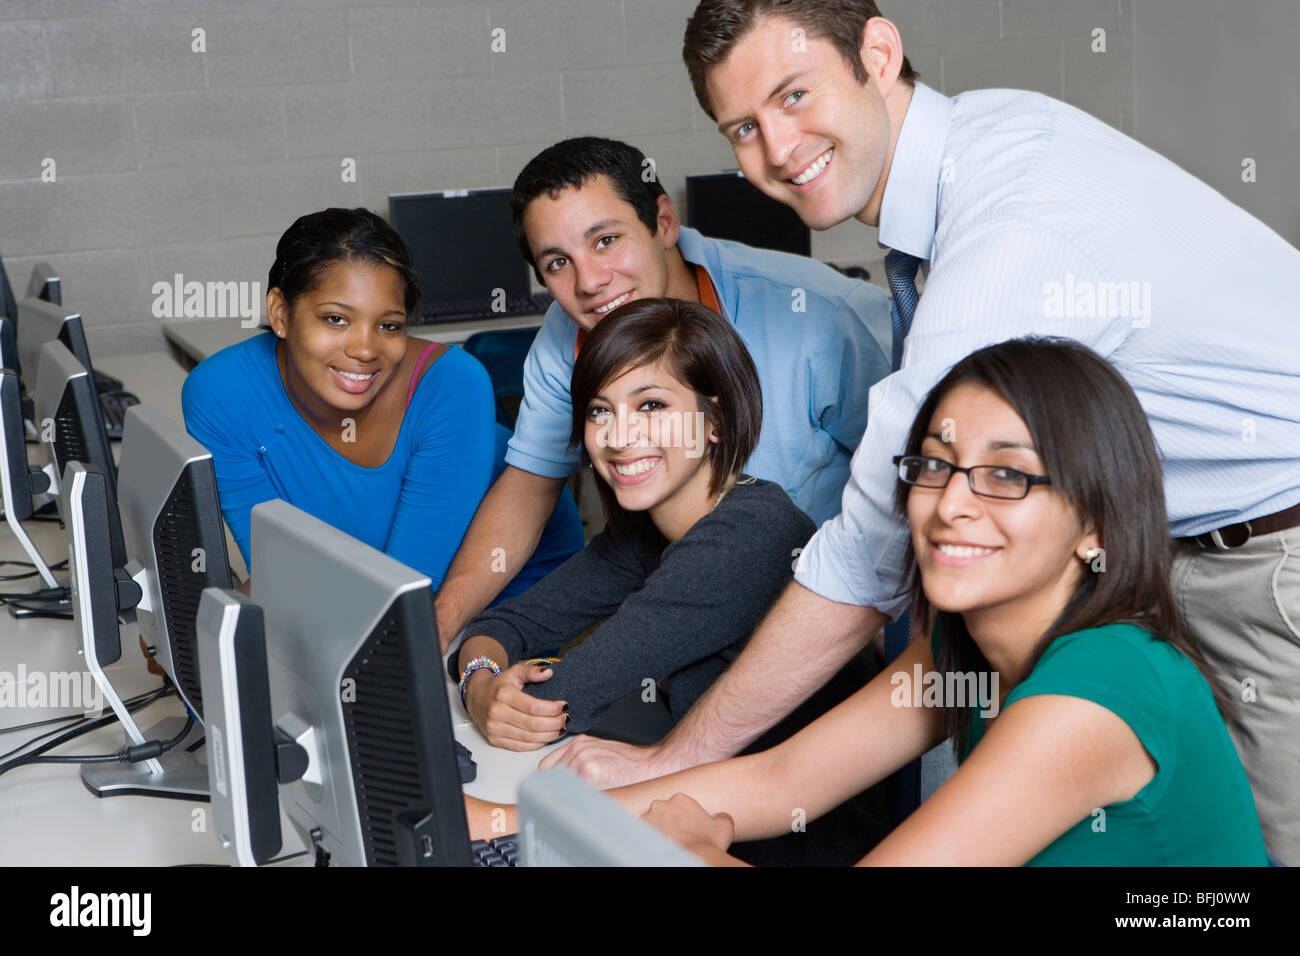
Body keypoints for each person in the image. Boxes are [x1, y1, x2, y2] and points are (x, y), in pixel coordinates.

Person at [549, 0, 1300, 864]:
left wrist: (678, 761)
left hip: (1271, 553)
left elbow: (868, 547)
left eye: (795, 95)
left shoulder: (1007, 237)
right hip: (1158, 549)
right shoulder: (978, 146)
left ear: (877, 50)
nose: (778, 150)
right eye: (743, 128)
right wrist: (515, 817)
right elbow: (787, 780)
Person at [474, 338, 1269, 866]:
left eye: (1006, 474)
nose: (950, 503)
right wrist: (509, 824)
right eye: (933, 466)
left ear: (1095, 522)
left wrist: (693, 854)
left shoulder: (1101, 688)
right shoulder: (959, 649)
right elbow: (780, 780)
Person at [455, 297, 887, 865]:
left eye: (652, 405)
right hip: (703, 807)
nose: (618, 436)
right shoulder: (646, 529)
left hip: (787, 841)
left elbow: (565, 698)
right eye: (599, 411)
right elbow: (502, 624)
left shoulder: (748, 534)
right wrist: (481, 681)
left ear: (717, 421)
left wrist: (508, 691)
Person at [433, 137, 892, 647]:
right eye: (558, 263)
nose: (590, 283)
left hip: (835, 620)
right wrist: (439, 628)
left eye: (606, 240)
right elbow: (529, 485)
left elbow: (907, 484)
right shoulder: (560, 340)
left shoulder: (821, 316)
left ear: (664, 223)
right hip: (686, 615)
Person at [182, 207, 583, 597]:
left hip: (513, 592)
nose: (364, 349)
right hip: (366, 600)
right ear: (280, 313)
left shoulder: (454, 385)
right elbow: (280, 573)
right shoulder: (220, 394)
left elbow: (408, 592)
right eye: (336, 319)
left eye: (389, 325)